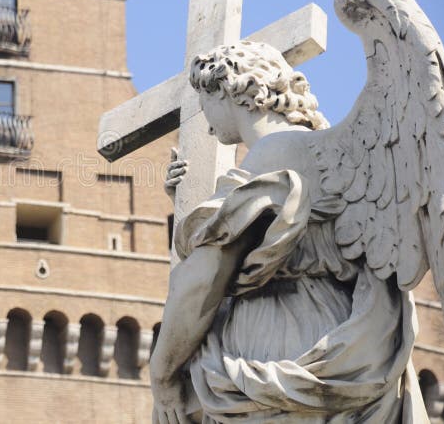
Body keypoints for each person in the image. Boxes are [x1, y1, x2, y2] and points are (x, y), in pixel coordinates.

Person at [151, 40, 425, 423]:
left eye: (205, 102)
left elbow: (204, 278)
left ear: (228, 88)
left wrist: (162, 371)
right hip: (339, 340)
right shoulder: (332, 153)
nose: (207, 125)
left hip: (281, 344)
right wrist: (190, 209)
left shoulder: (272, 155)